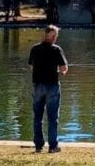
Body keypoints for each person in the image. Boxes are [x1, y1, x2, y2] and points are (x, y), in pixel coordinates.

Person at [27, 25, 69, 153]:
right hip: (52, 86)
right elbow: (64, 69)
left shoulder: (35, 49)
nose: (56, 37)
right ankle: (52, 146)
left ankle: (38, 145)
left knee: (37, 117)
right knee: (52, 118)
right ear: (52, 36)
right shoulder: (56, 49)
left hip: (38, 86)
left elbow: (31, 67)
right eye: (55, 35)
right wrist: (62, 72)